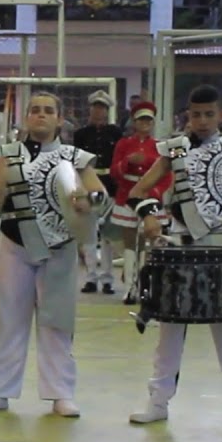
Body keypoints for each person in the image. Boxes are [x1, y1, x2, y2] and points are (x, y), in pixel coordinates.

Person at [126, 84, 222, 434]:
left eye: (209, 114)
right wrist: (150, 216)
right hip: (179, 246)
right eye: (196, 114)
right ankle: (157, 401)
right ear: (187, 114)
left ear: (221, 115)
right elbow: (138, 191)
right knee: (170, 328)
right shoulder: (173, 148)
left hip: (218, 247)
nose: (202, 121)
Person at [0, 92, 107, 419]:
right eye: (35, 110)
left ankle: (61, 392)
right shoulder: (6, 154)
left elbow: (99, 193)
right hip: (14, 244)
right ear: (26, 117)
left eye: (48, 111)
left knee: (57, 322)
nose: (41, 116)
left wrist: (89, 201)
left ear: (60, 119)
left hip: (59, 248)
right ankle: (0, 391)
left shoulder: (75, 157)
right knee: (9, 319)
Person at [108, 101, 170, 305]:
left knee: (150, 242)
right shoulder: (123, 144)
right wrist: (127, 162)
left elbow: (167, 175)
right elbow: (114, 172)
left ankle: (146, 287)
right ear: (134, 122)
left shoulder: (159, 146)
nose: (145, 123)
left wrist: (154, 191)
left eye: (148, 119)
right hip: (127, 195)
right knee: (129, 243)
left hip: (150, 197)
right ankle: (129, 288)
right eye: (141, 119)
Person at [72, 90, 123, 295]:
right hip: (88, 185)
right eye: (96, 107)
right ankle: (91, 277)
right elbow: (76, 163)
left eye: (102, 108)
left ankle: (107, 278)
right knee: (89, 235)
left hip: (110, 186)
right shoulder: (81, 134)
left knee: (109, 236)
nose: (98, 111)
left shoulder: (115, 133)